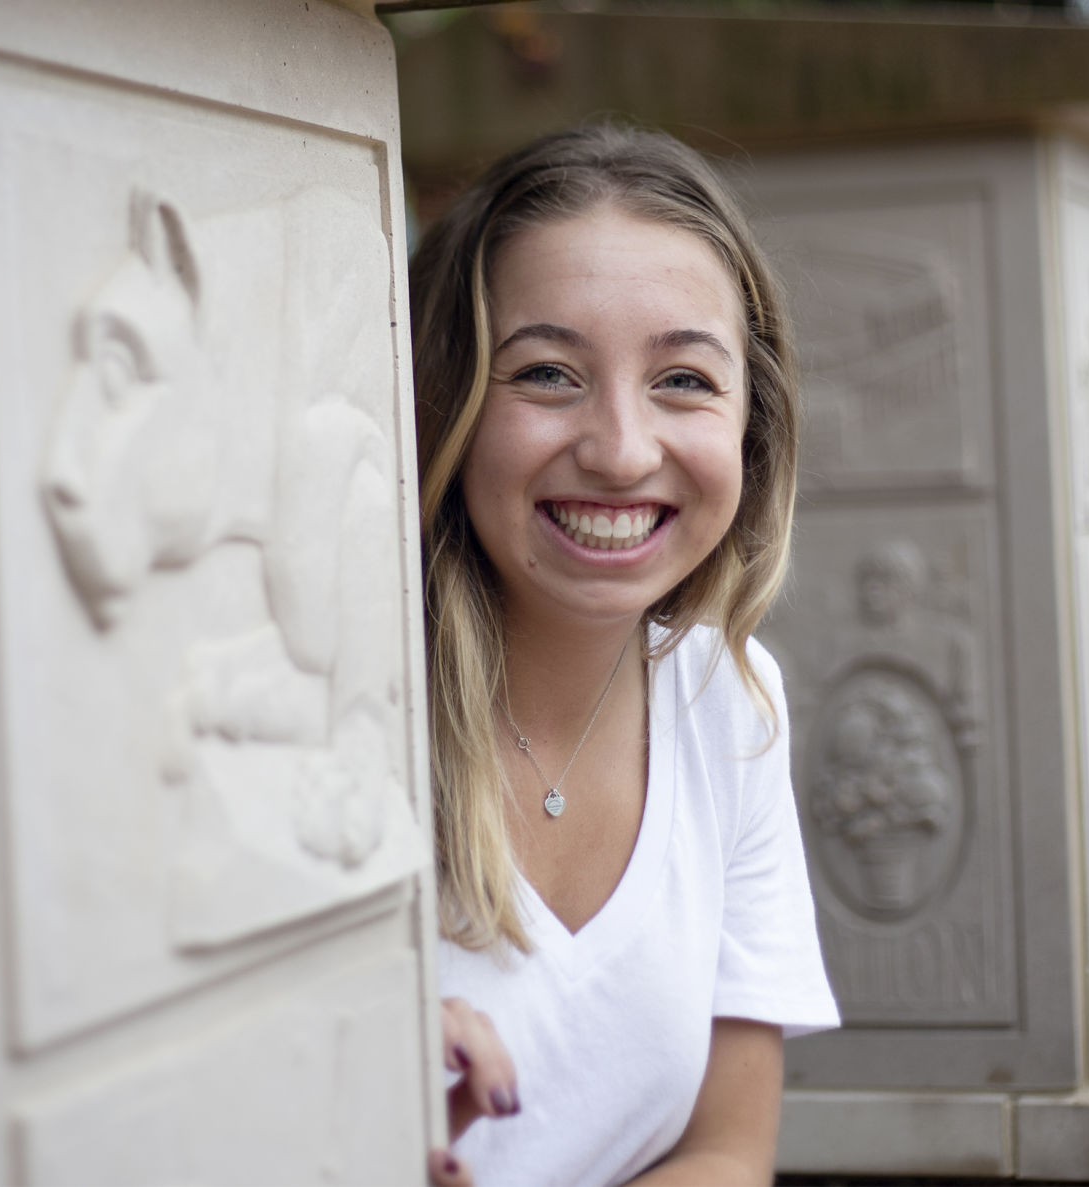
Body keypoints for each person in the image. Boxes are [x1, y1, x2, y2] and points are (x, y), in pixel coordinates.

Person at [408, 126, 839, 1187]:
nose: (619, 449)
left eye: (683, 380)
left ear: (752, 424)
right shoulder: (342, 705)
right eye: (547, 372)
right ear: (448, 399)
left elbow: (727, 1150)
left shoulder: (727, 700)